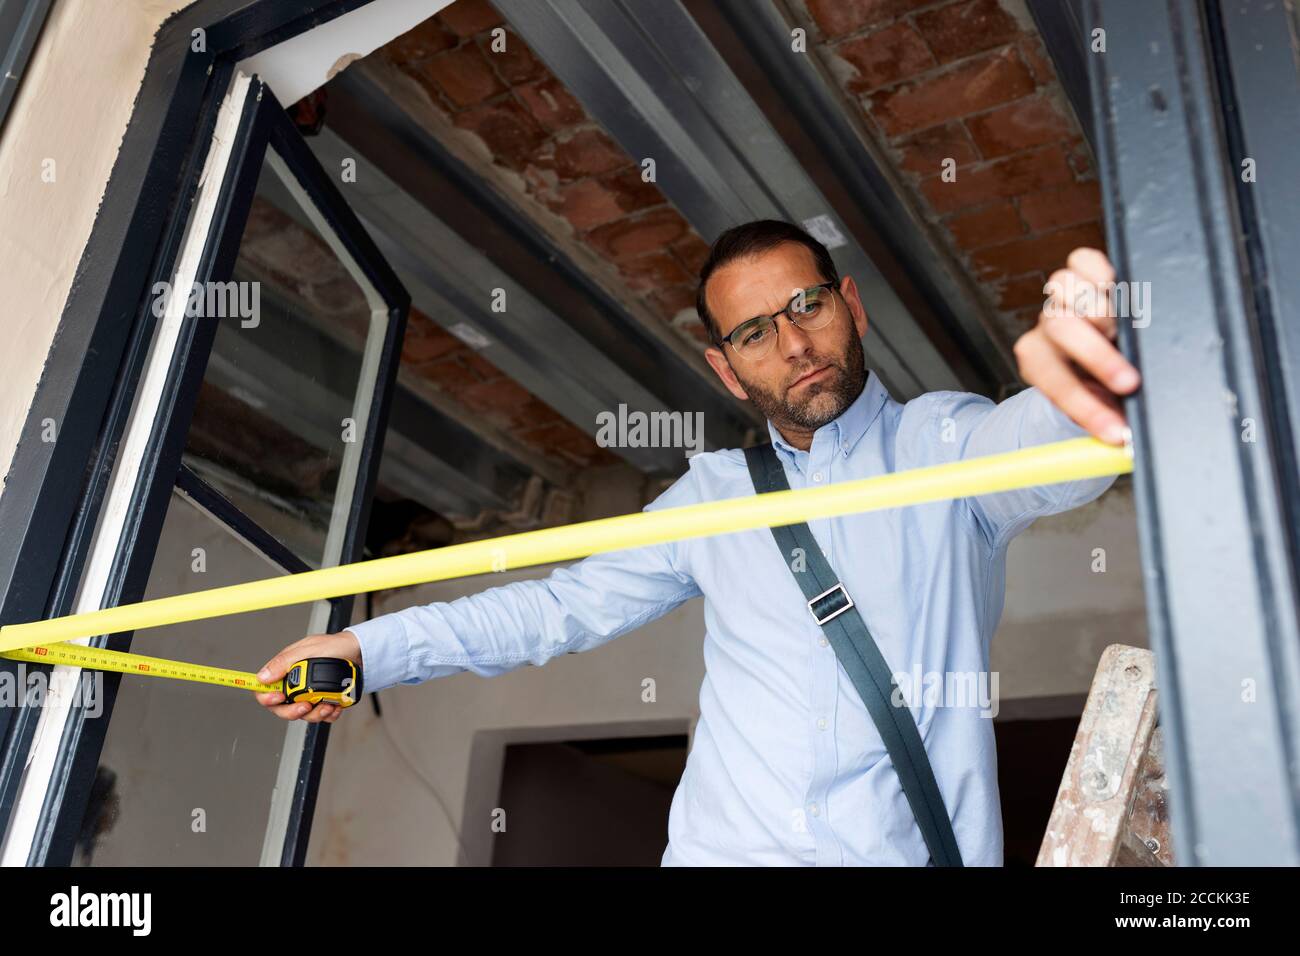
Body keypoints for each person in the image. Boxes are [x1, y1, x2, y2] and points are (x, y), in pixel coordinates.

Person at [255, 219, 1140, 865]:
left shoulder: (941, 446)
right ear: (726, 366)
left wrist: (1088, 381)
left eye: (808, 305)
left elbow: (1048, 451)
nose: (794, 344)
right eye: (755, 332)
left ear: (852, 307)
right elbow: (560, 609)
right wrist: (374, 647)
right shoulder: (712, 498)